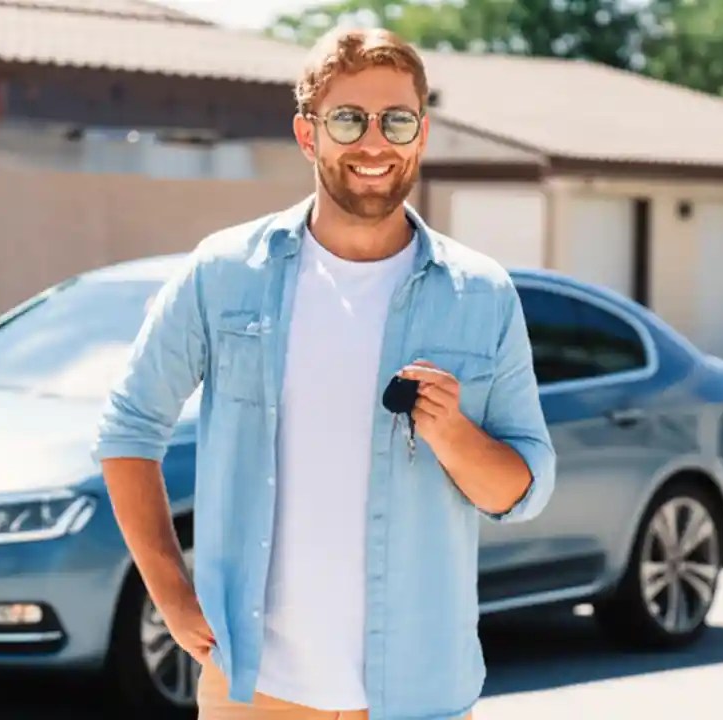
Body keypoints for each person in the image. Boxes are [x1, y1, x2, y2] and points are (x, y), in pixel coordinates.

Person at [92, 26, 556, 720]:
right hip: (257, 691)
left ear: (421, 135)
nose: (375, 142)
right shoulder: (223, 274)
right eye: (348, 119)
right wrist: (171, 594)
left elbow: (526, 489)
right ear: (308, 136)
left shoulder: (481, 296)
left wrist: (454, 435)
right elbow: (128, 428)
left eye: (396, 120)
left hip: (419, 694)